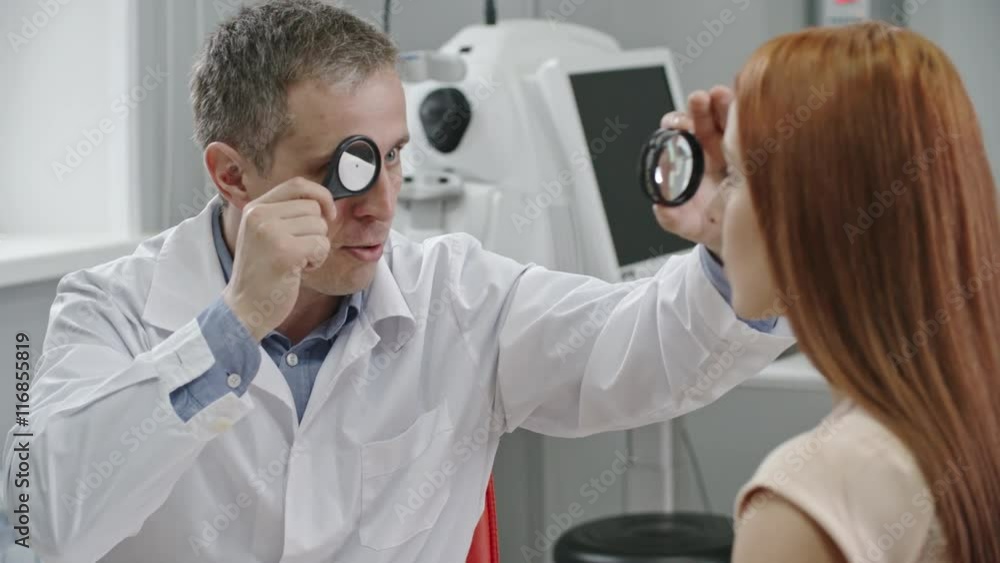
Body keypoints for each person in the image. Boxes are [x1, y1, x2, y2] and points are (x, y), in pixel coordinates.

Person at [0, 1, 795, 562]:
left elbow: (646, 352)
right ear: (232, 173)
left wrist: (734, 249)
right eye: (345, 168)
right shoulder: (107, 307)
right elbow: (47, 515)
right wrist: (233, 326)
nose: (384, 205)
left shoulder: (456, 292)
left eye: (394, 155)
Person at [682, 21, 1000, 563]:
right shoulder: (968, 418)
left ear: (813, 214)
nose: (712, 208)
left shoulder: (805, 504)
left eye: (733, 174)